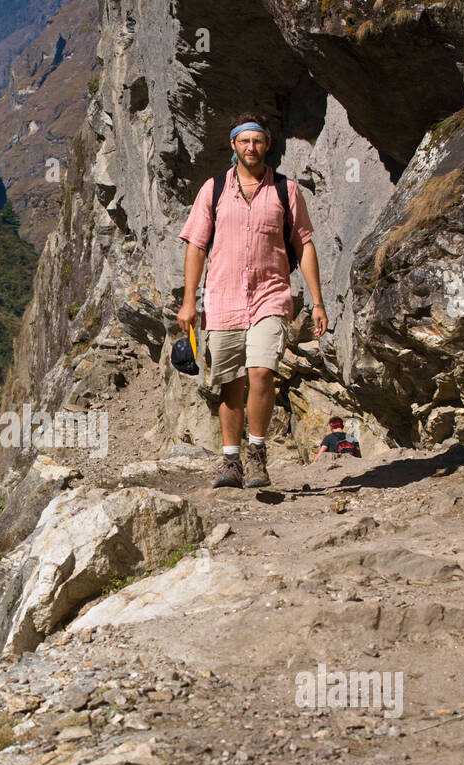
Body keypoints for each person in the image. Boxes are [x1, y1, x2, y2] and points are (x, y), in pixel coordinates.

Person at [177, 112, 328, 490]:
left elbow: (303, 245)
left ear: (267, 145)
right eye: (244, 141)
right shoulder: (213, 190)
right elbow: (196, 246)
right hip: (223, 298)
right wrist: (188, 301)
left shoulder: (285, 190)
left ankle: (257, 454)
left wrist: (318, 301)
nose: (251, 147)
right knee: (230, 382)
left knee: (261, 371)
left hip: (269, 296)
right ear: (233, 145)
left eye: (258, 141)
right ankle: (231, 461)